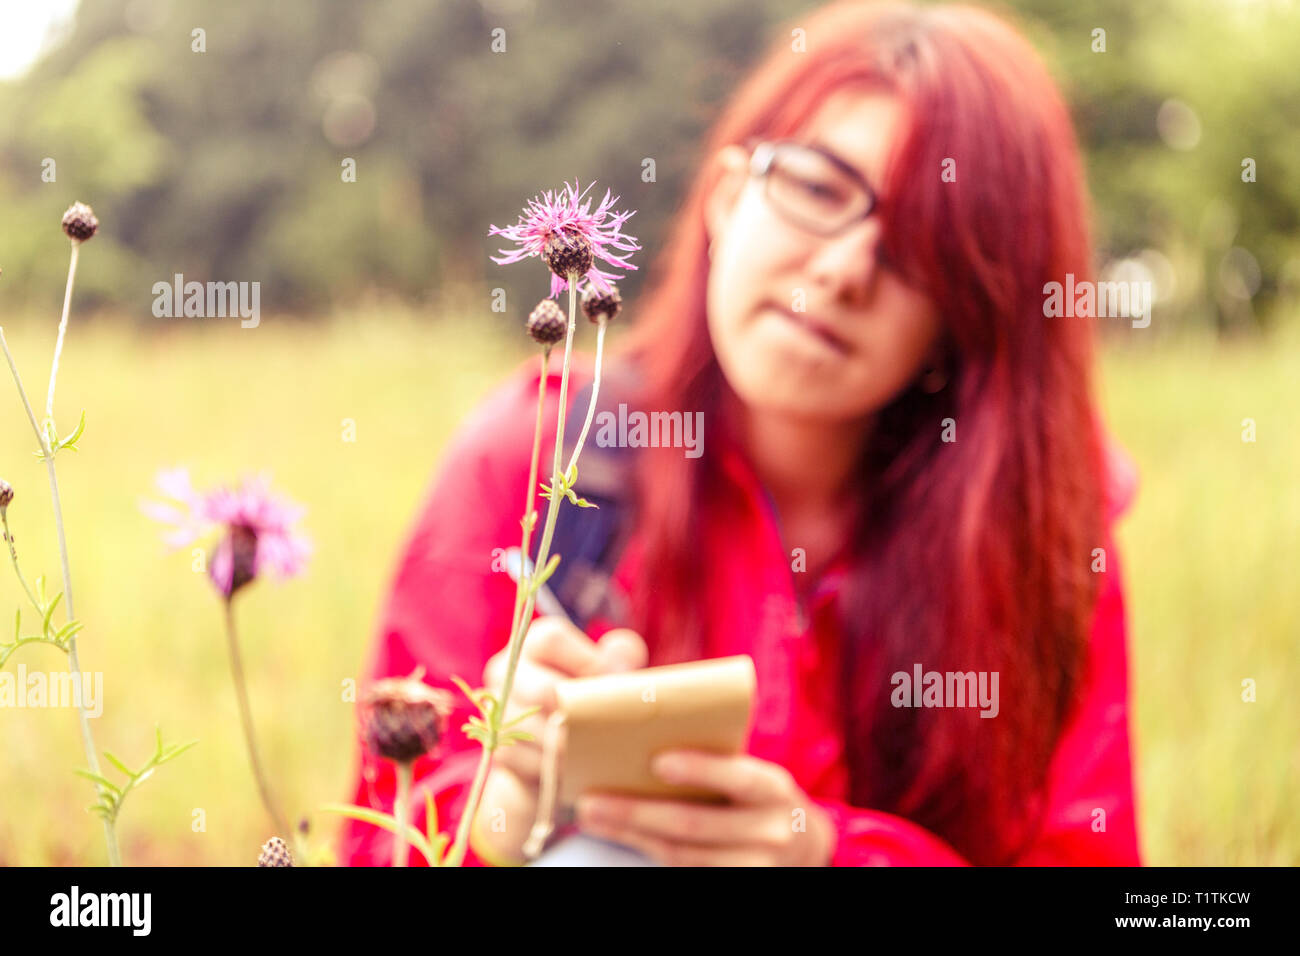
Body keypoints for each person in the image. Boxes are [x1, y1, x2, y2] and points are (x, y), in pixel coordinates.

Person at [339, 0, 1142, 867]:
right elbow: (372, 833)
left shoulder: (1041, 538)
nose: (842, 270)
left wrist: (825, 855)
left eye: (921, 242)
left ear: (969, 315)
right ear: (727, 196)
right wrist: (496, 814)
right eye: (819, 189)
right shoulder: (535, 456)